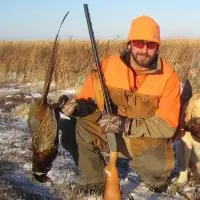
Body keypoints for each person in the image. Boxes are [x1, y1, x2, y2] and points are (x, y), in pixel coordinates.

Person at [61, 15, 181, 193]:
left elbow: (168, 125)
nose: (144, 50)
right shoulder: (108, 65)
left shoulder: (168, 76)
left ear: (157, 48)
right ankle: (97, 180)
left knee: (156, 175)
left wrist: (126, 124)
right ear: (129, 44)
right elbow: (88, 100)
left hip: (144, 142)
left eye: (151, 45)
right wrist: (75, 107)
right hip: (109, 133)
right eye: (139, 43)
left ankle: (156, 178)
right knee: (73, 127)